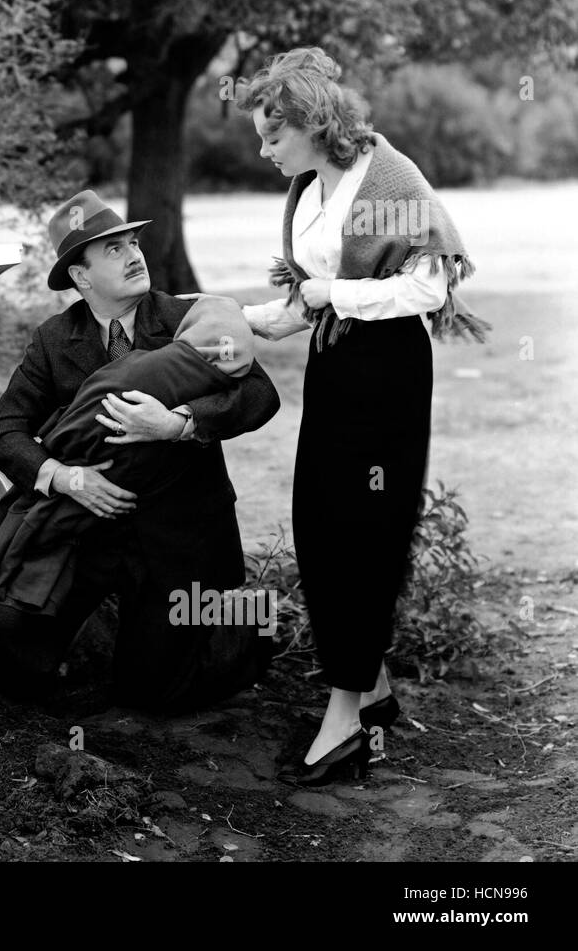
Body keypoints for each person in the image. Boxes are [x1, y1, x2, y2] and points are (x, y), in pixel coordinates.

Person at [235, 47, 488, 785]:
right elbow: (303, 302)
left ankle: (344, 719)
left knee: (363, 531)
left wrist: (331, 300)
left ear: (312, 123)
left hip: (388, 372)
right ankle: (370, 683)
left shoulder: (388, 179)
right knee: (318, 520)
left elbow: (427, 290)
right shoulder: (310, 191)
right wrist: (224, 322)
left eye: (271, 135)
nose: (263, 149)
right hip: (336, 363)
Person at [0, 191, 281, 712]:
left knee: (152, 694)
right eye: (113, 250)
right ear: (80, 277)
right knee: (6, 626)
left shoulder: (184, 316)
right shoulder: (55, 339)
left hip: (180, 533)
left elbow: (261, 394)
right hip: (89, 531)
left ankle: (242, 634)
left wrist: (178, 424)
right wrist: (65, 477)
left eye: (133, 243)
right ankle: (83, 654)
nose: (134, 255)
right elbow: (4, 431)